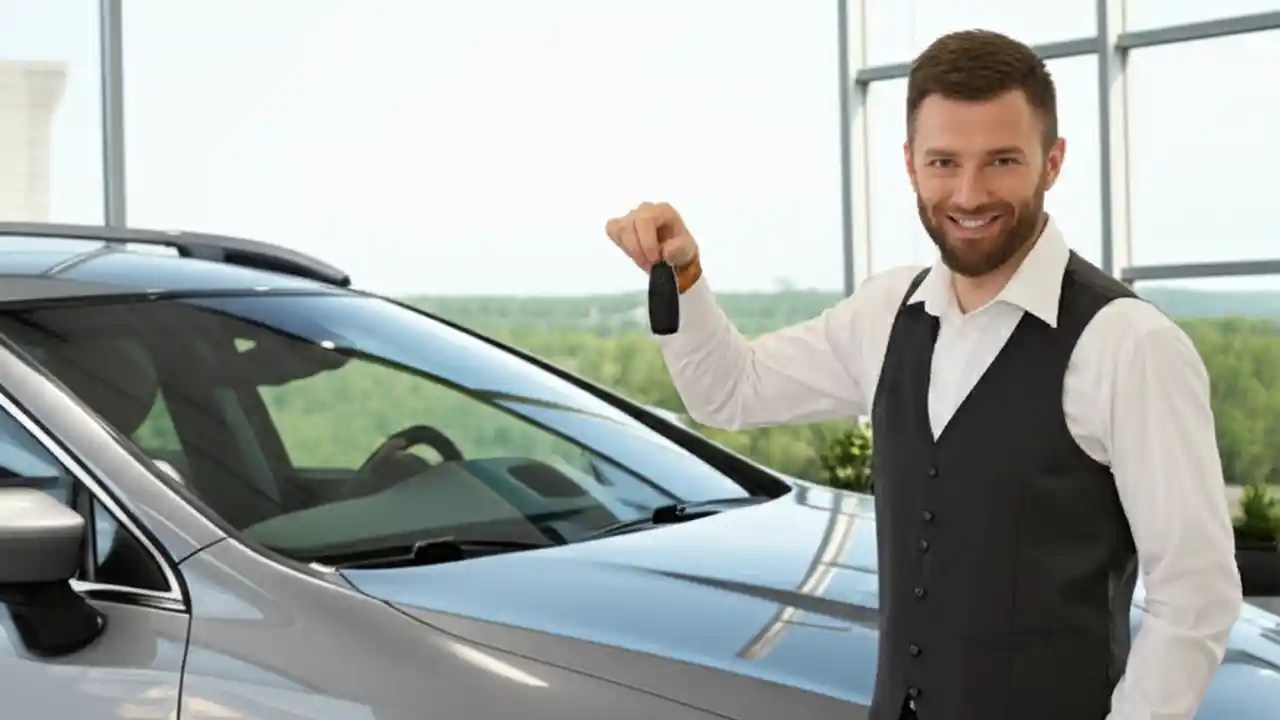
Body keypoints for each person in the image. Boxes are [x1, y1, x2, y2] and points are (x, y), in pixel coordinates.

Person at [604, 29, 1243, 720]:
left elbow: (1196, 594)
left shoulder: (1131, 345)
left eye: (1002, 161)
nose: (968, 194)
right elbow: (727, 392)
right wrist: (687, 277)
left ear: (1052, 162)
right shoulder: (888, 312)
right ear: (910, 164)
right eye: (944, 162)